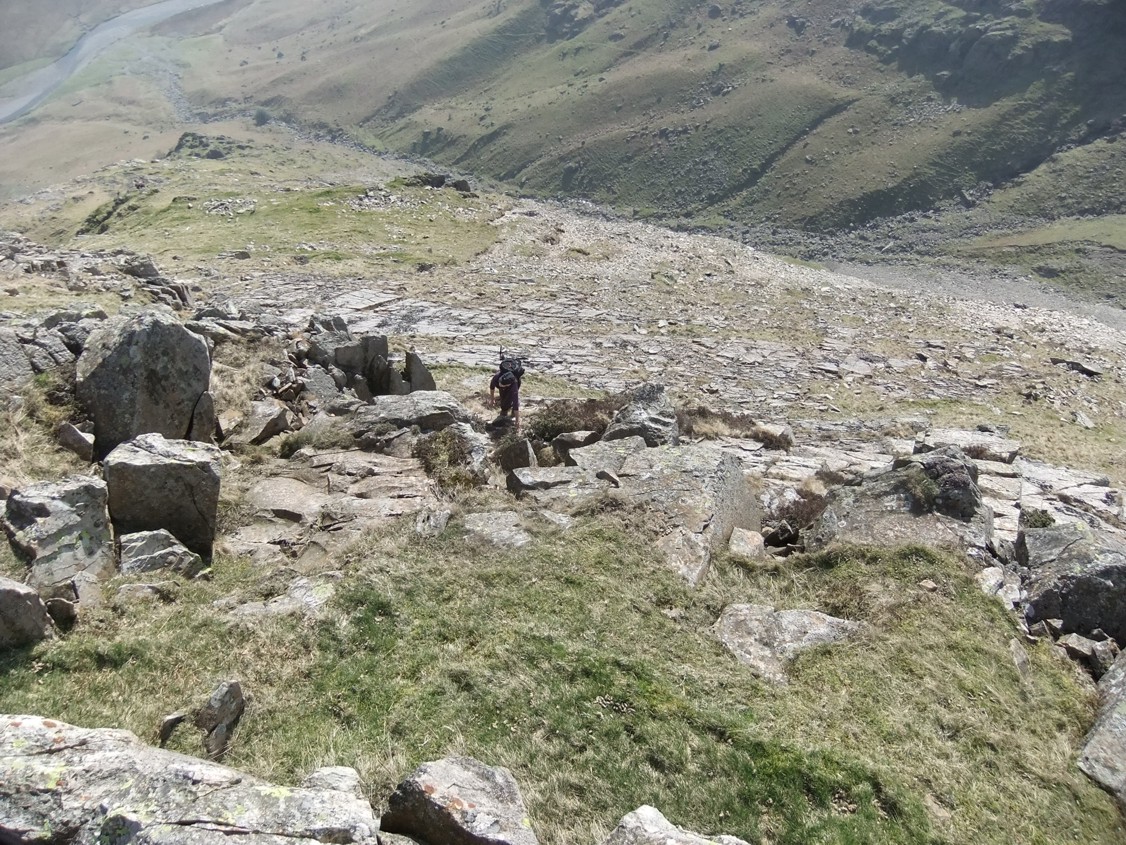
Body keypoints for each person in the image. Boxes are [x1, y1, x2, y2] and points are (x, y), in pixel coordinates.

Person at [489, 358, 523, 432]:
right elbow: (492, 387)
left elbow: (515, 403)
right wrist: (492, 399)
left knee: (512, 398)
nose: (501, 385)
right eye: (500, 384)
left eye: (503, 385)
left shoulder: (514, 385)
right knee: (504, 400)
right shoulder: (496, 378)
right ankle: (504, 409)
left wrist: (517, 421)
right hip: (506, 385)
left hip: (514, 385)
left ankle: (512, 413)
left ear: (508, 384)